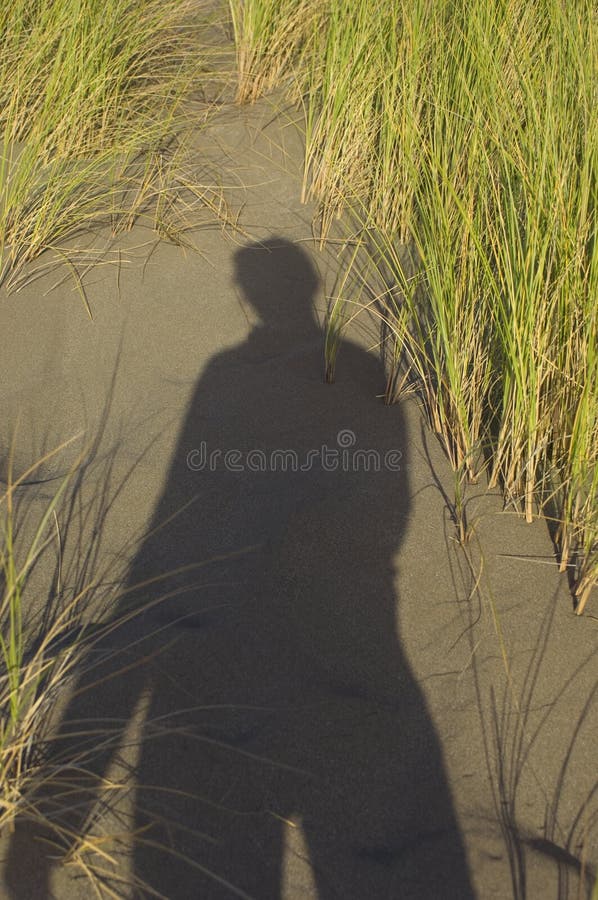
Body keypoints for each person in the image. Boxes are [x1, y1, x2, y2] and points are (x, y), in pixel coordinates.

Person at [5, 238, 474, 898]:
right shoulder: (363, 372)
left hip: (286, 656)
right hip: (353, 645)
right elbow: (387, 523)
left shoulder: (237, 373)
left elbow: (172, 523)